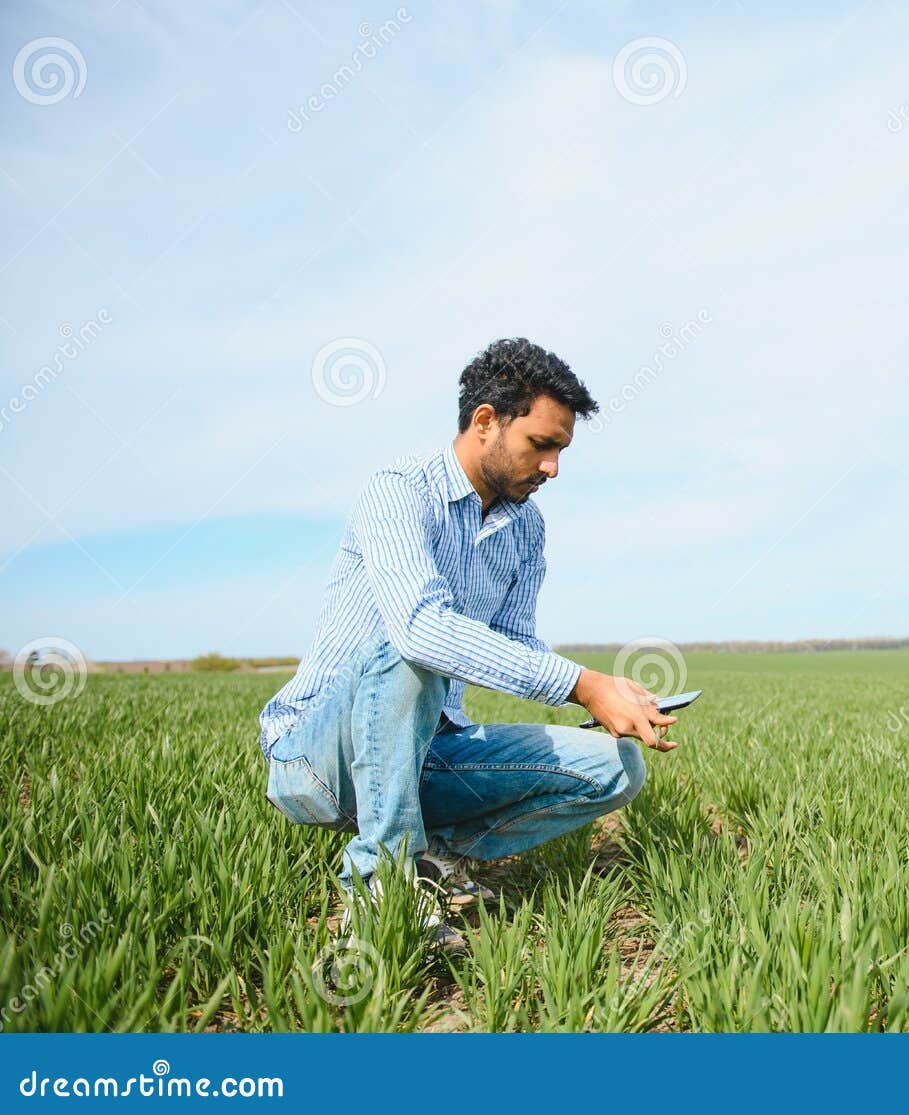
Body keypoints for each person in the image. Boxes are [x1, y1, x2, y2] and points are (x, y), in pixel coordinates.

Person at [256, 337, 678, 947]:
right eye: (542, 444)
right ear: (486, 422)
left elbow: (516, 647)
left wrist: (612, 694)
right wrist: (582, 686)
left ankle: (433, 858)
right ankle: (382, 891)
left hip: (429, 750)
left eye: (561, 450)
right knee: (416, 646)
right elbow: (419, 631)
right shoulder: (397, 491)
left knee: (617, 768)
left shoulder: (526, 529)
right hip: (317, 760)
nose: (553, 467)